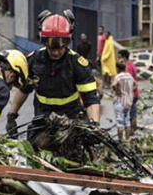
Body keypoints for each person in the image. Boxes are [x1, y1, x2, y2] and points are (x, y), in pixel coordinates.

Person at [6, 13, 100, 146]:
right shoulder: (34, 60)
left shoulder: (77, 64)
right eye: (52, 48)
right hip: (42, 120)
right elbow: (24, 89)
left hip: (71, 119)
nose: (55, 53)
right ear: (44, 42)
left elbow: (90, 99)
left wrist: (94, 124)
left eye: (59, 48)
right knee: (33, 149)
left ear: (67, 42)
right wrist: (11, 115)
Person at [112, 54, 135, 142]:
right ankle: (127, 140)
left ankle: (120, 141)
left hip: (120, 102)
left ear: (118, 68)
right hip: (128, 101)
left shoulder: (118, 76)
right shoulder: (129, 76)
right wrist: (129, 91)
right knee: (127, 121)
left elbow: (114, 85)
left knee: (120, 123)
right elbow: (135, 85)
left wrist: (117, 91)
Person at [123, 50, 141, 138]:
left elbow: (129, 81)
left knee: (129, 115)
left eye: (120, 57)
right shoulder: (132, 64)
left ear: (124, 57)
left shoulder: (128, 67)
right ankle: (134, 131)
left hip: (131, 94)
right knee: (133, 113)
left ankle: (131, 132)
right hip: (135, 93)